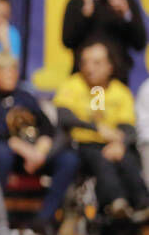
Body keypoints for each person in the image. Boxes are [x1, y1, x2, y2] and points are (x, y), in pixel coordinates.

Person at [0, 50, 78, 235]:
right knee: (1, 152)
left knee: (69, 159)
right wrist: (23, 149)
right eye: (5, 71)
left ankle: (43, 218)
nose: (11, 75)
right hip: (10, 153)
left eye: (13, 70)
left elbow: (47, 126)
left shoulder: (24, 96)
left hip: (35, 153)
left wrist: (40, 151)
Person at [53, 41, 149, 223]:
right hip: (83, 144)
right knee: (101, 160)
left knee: (127, 160)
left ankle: (142, 204)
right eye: (85, 62)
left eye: (96, 63)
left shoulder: (120, 91)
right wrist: (96, 128)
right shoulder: (73, 85)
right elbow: (64, 116)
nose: (89, 68)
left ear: (110, 66)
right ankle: (115, 202)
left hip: (113, 145)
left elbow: (128, 126)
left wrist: (119, 143)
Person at [60, 0, 147, 83]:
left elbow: (140, 43)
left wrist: (127, 16)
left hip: (117, 82)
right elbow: (67, 41)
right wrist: (84, 15)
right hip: (83, 82)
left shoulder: (125, 2)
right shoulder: (77, 2)